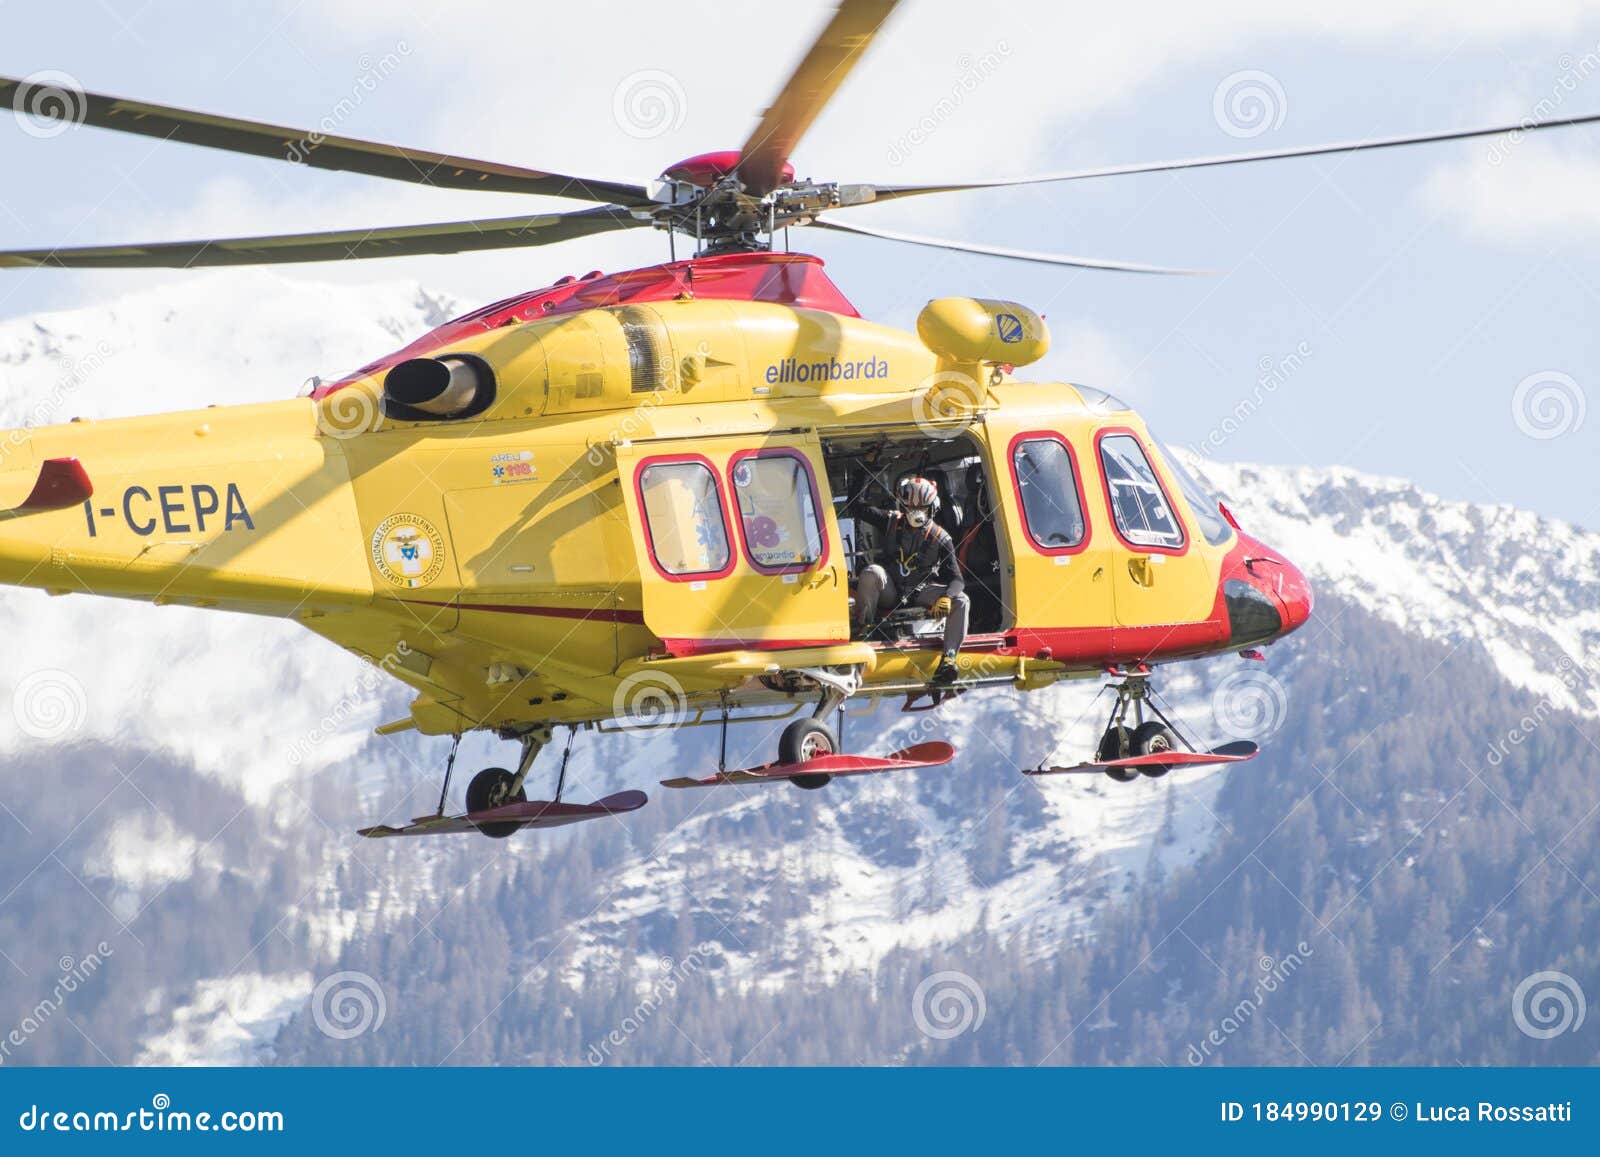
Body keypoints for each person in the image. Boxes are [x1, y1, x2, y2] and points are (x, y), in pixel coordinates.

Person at [852, 475, 969, 684]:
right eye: (911, 508)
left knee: (962, 600)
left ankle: (948, 660)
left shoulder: (941, 538)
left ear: (932, 507)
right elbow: (857, 506)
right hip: (890, 590)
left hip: (921, 591)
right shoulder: (889, 520)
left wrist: (947, 597)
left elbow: (956, 579)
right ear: (903, 506)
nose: (916, 514)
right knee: (871, 572)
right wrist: (868, 470)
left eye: (922, 509)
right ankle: (864, 631)